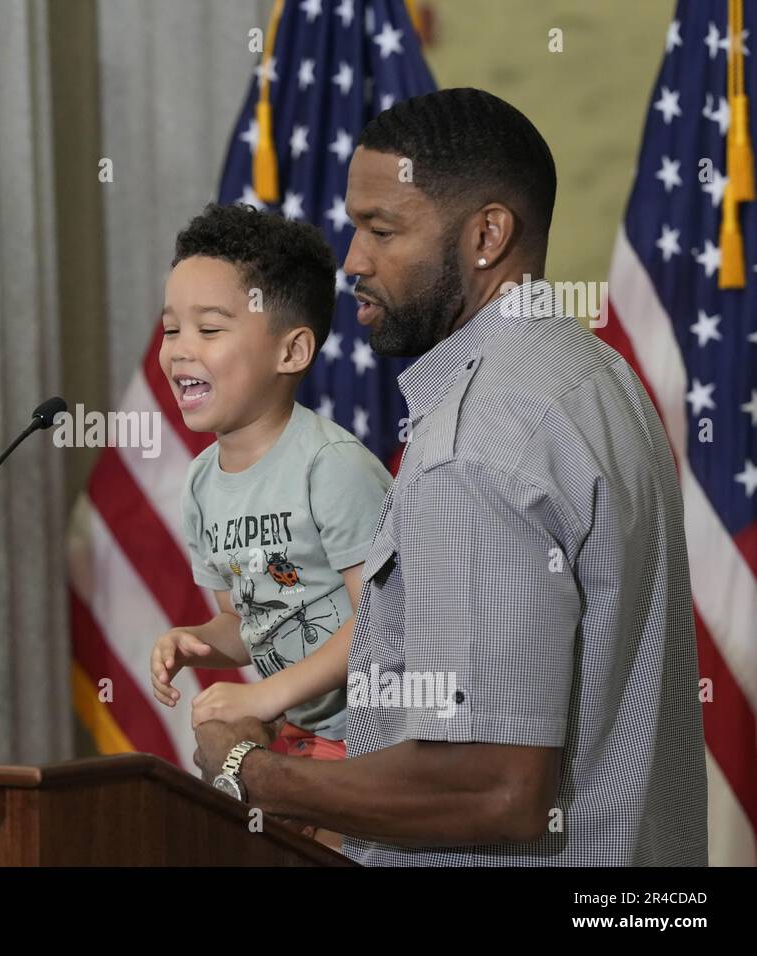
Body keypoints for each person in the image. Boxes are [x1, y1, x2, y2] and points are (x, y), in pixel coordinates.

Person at [192, 87, 707, 866]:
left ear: (487, 235)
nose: (353, 261)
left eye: (382, 230)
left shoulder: (474, 443)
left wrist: (252, 771)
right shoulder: (597, 375)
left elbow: (493, 788)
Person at [150, 203, 391, 768]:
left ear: (291, 351)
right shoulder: (201, 484)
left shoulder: (331, 467)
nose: (182, 348)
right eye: (171, 329)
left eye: (209, 329)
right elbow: (247, 621)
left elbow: (384, 624)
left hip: (377, 742)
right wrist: (197, 641)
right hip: (301, 742)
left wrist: (265, 695)